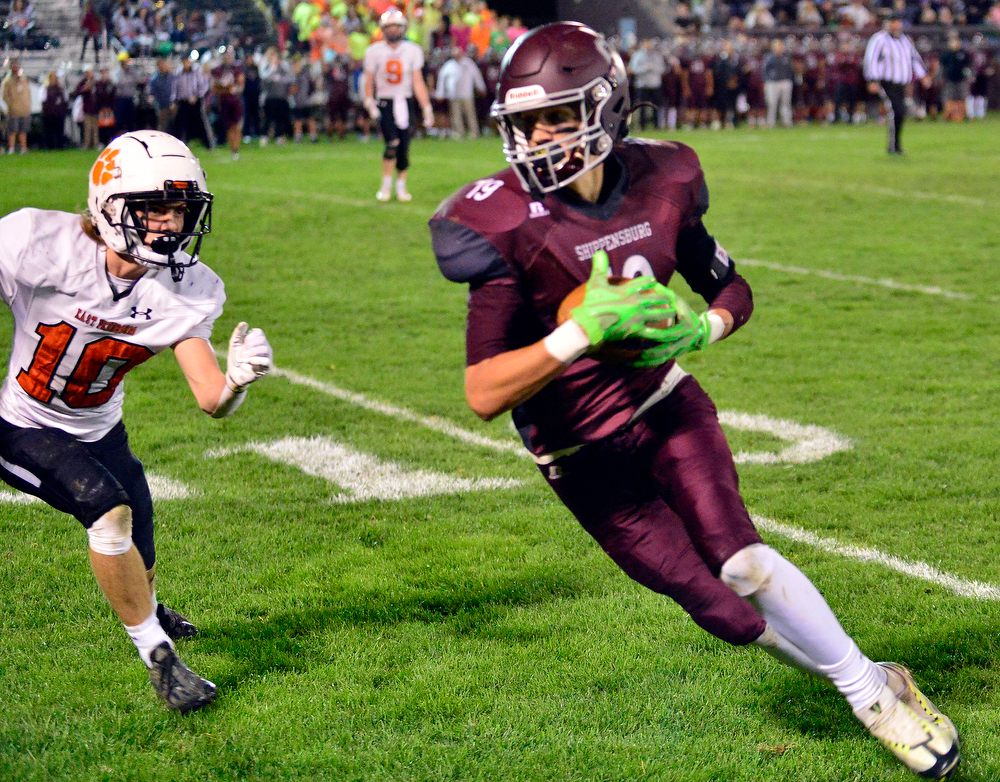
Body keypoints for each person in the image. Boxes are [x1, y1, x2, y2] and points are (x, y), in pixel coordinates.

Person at [429, 22, 960, 780]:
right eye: (525, 122)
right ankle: (876, 677)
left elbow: (730, 286)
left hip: (666, 406)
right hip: (578, 454)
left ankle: (870, 700)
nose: (537, 137)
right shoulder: (501, 220)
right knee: (726, 615)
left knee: (742, 563)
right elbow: (482, 391)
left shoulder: (663, 177)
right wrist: (577, 334)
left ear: (607, 107)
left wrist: (702, 328)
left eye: (556, 116)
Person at [0, 130, 272, 713]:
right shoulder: (38, 244)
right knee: (109, 511)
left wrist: (237, 383)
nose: (169, 225)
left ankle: (148, 607)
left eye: (179, 210)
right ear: (109, 205)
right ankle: (160, 660)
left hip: (101, 431)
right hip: (22, 422)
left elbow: (210, 398)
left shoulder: (187, 288)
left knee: (140, 552)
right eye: (153, 209)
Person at [363, 6, 434, 202]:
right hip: (385, 102)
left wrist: (426, 107)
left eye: (396, 26)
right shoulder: (374, 51)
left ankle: (401, 187)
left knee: (404, 147)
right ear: (383, 29)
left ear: (403, 28)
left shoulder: (412, 50)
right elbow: (368, 80)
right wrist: (369, 101)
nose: (393, 30)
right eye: (389, 27)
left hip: (405, 101)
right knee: (391, 143)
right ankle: (386, 186)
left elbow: (417, 81)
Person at [863, 12, 930, 154]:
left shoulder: (905, 40)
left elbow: (914, 59)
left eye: (897, 22)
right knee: (896, 111)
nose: (895, 25)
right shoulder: (879, 39)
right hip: (886, 82)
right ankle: (894, 146)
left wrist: (923, 75)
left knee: (900, 112)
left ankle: (895, 145)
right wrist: (872, 79)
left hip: (901, 84)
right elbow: (871, 59)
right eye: (892, 22)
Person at [435, 44, 487, 139]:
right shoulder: (449, 65)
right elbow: (442, 80)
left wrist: (481, 88)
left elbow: (477, 76)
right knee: (456, 115)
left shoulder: (468, 63)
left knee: (470, 114)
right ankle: (459, 132)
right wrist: (440, 93)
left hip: (467, 93)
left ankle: (474, 132)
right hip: (453, 94)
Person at [171, 57, 213, 149]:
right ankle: (177, 144)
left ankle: (208, 143)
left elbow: (204, 85)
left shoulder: (197, 71)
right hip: (183, 100)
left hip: (196, 100)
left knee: (201, 121)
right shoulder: (178, 72)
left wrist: (197, 96)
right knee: (179, 123)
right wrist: (174, 101)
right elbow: (175, 87)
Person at [211, 48, 245, 159]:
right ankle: (233, 149)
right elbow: (215, 87)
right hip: (224, 100)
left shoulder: (236, 68)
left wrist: (233, 89)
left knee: (236, 125)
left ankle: (236, 148)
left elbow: (241, 84)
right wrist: (225, 89)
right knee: (229, 126)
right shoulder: (218, 70)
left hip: (235, 100)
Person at [763, 37, 794, 128]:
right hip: (773, 82)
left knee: (786, 103)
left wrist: (790, 79)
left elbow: (790, 70)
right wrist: (766, 81)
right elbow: (765, 70)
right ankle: (770, 122)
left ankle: (787, 122)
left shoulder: (786, 57)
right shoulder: (769, 57)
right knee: (772, 103)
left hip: (785, 81)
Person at [1, 60, 31, 154]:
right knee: (12, 130)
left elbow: (28, 93)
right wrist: (10, 105)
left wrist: (27, 104)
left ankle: (23, 148)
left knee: (23, 130)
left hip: (24, 109)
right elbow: (5, 95)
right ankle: (11, 148)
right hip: (13, 109)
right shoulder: (8, 81)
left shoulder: (23, 79)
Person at [40, 71, 69, 150]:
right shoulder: (45, 88)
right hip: (49, 113)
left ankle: (60, 145)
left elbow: (65, 99)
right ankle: (50, 146)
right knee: (49, 130)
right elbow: (42, 99)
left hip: (59, 112)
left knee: (60, 130)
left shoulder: (61, 88)